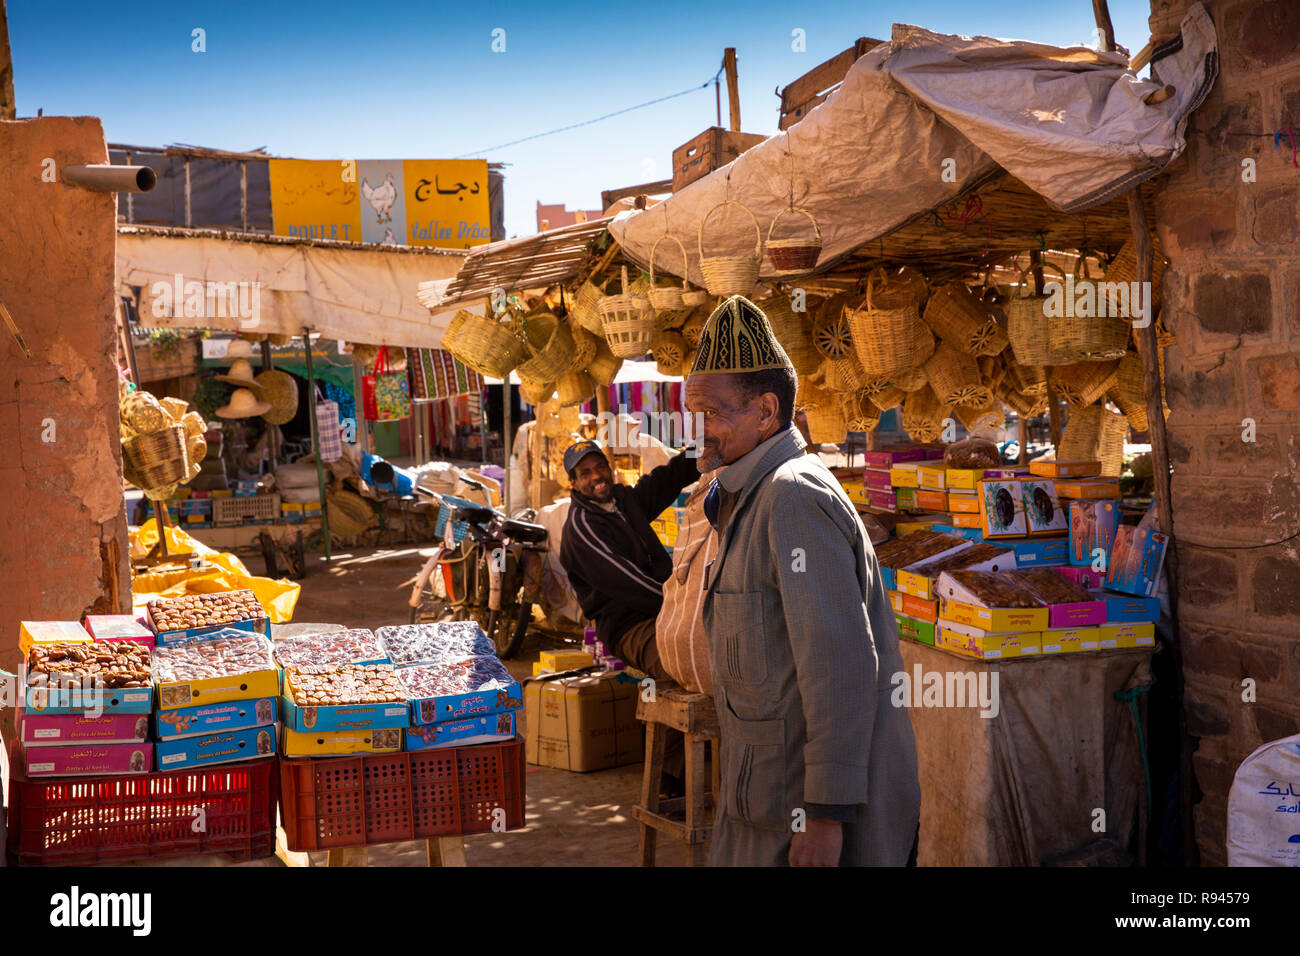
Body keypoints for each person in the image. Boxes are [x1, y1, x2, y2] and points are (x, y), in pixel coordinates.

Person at [683, 295, 921, 867]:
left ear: (766, 412)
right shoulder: (750, 494)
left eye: (714, 413)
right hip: (765, 802)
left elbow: (839, 665)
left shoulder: (791, 496)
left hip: (804, 819)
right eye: (699, 415)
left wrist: (824, 816)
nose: (703, 431)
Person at [558, 437, 699, 680]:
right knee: (687, 664)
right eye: (586, 473)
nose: (596, 477)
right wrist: (681, 604)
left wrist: (702, 451)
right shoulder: (582, 527)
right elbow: (629, 583)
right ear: (573, 483)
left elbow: (665, 481)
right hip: (629, 627)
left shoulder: (622, 500)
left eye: (600, 467)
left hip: (662, 609)